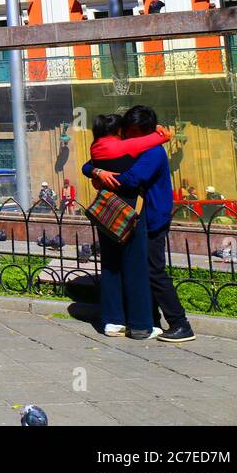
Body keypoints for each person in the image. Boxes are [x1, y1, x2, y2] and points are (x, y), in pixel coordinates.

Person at [87, 105, 196, 343]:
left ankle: (180, 323)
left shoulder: (152, 152)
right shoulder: (133, 149)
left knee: (153, 270)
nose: (129, 135)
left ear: (145, 131)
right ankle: (151, 319)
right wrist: (96, 170)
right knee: (138, 269)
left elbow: (134, 178)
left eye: (134, 131)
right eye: (127, 130)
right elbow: (91, 162)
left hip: (153, 217)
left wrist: (105, 177)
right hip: (135, 219)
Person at [81, 113, 155, 339]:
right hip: (129, 212)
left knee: (110, 266)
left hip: (107, 214)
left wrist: (98, 173)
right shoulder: (128, 150)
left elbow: (87, 166)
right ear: (119, 131)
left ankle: (113, 322)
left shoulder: (97, 149)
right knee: (136, 268)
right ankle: (140, 324)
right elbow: (159, 141)